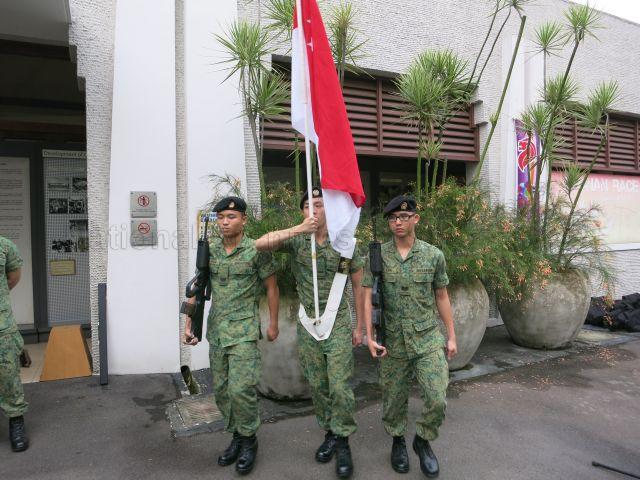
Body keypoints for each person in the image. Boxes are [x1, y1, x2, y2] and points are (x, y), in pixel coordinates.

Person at [255, 188, 364, 479]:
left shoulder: (345, 242)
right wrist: (298, 229)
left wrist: (361, 327)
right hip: (310, 325)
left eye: (320, 204)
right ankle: (329, 431)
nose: (314, 209)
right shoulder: (298, 242)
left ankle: (343, 442)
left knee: (339, 385)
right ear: (302, 212)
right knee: (318, 385)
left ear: (330, 208)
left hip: (337, 323)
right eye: (308, 206)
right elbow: (259, 244)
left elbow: (358, 287)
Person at [183, 197, 279, 475]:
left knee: (241, 389)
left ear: (244, 220)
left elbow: (272, 288)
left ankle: (249, 440)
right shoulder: (210, 250)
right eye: (222, 217)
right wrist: (188, 325)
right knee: (223, 392)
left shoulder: (256, 250)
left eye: (231, 217)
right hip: (217, 331)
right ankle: (236, 435)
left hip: (245, 331)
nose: (225, 222)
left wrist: (273, 323)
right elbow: (197, 290)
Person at [363, 195, 457, 478]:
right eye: (392, 218)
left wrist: (451, 336)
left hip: (426, 337)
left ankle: (423, 440)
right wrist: (369, 335)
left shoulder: (433, 255)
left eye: (404, 217)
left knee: (437, 396)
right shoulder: (378, 255)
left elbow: (441, 295)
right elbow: (369, 296)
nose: (398, 222)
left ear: (416, 218)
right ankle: (397, 442)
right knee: (393, 398)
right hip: (392, 340)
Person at [0, 235, 29, 452]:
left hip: (2, 325)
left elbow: (13, 278)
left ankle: (16, 420)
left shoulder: (5, 246)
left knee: (8, 373)